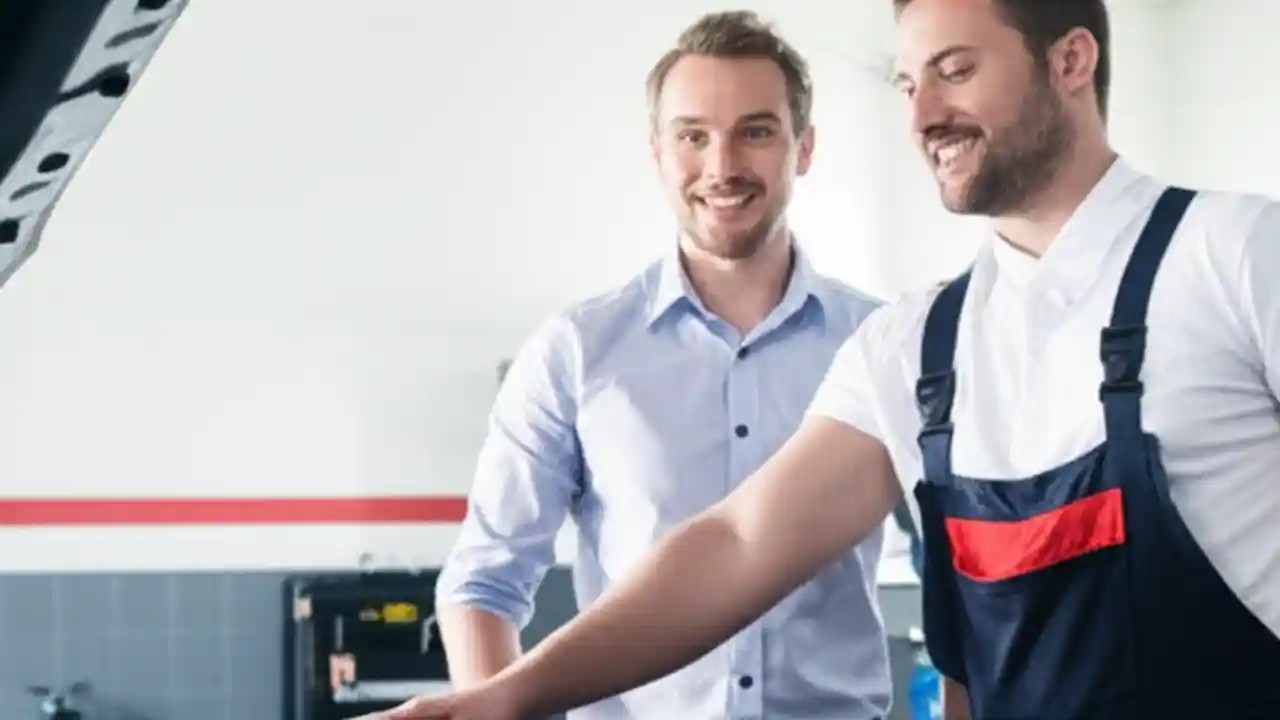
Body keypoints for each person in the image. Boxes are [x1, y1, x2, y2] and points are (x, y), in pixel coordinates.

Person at [358, 0, 1280, 717]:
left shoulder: (1237, 255)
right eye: (907, 84)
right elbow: (739, 543)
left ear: (1070, 61)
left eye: (954, 71)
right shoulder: (919, 346)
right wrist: (504, 699)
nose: (923, 114)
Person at [420, 10, 891, 720]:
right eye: (693, 136)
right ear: (657, 152)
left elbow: (968, 570)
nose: (723, 166)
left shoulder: (882, 344)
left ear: (805, 148)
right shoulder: (576, 352)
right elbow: (483, 583)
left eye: (756, 132)